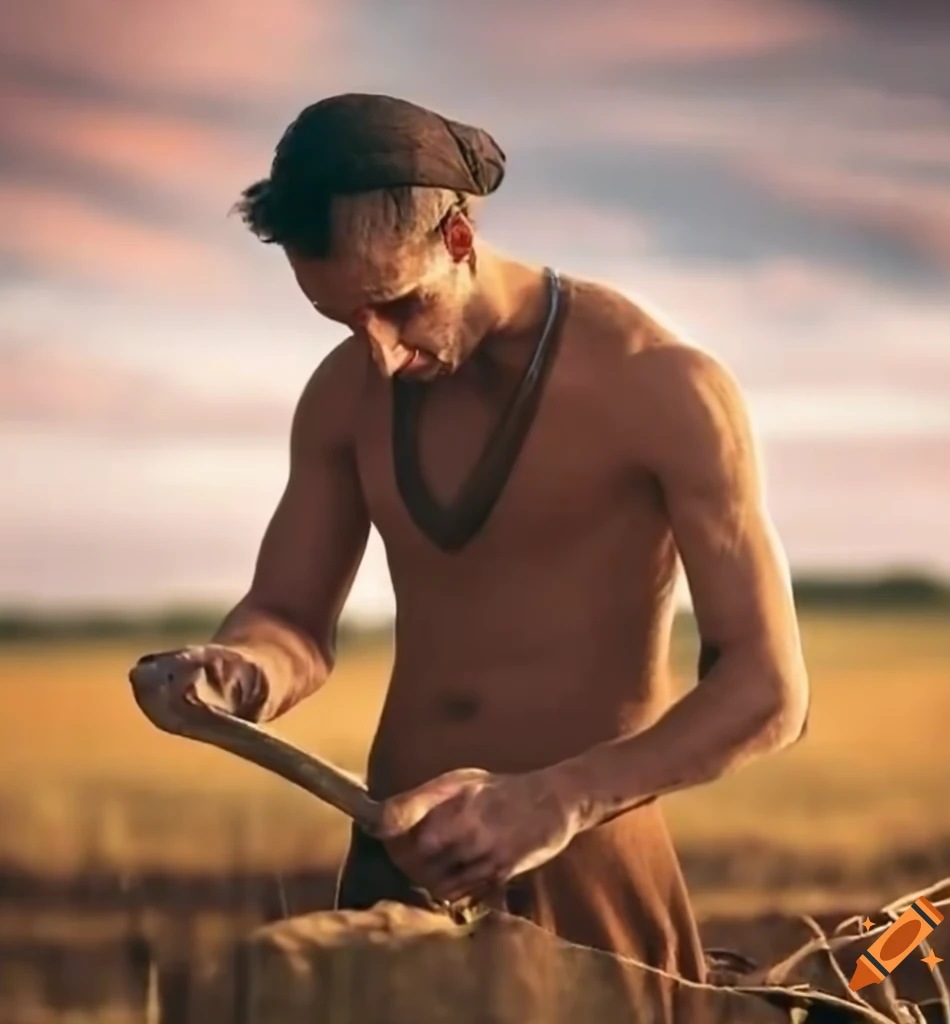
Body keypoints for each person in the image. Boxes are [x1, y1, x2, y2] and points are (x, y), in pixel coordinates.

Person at [129, 93, 809, 981]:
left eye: (397, 305)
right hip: (395, 874)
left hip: (587, 876)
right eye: (344, 320)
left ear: (458, 238)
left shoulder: (660, 385)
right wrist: (234, 670)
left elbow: (768, 691)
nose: (378, 353)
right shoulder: (343, 396)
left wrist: (558, 801)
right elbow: (289, 619)